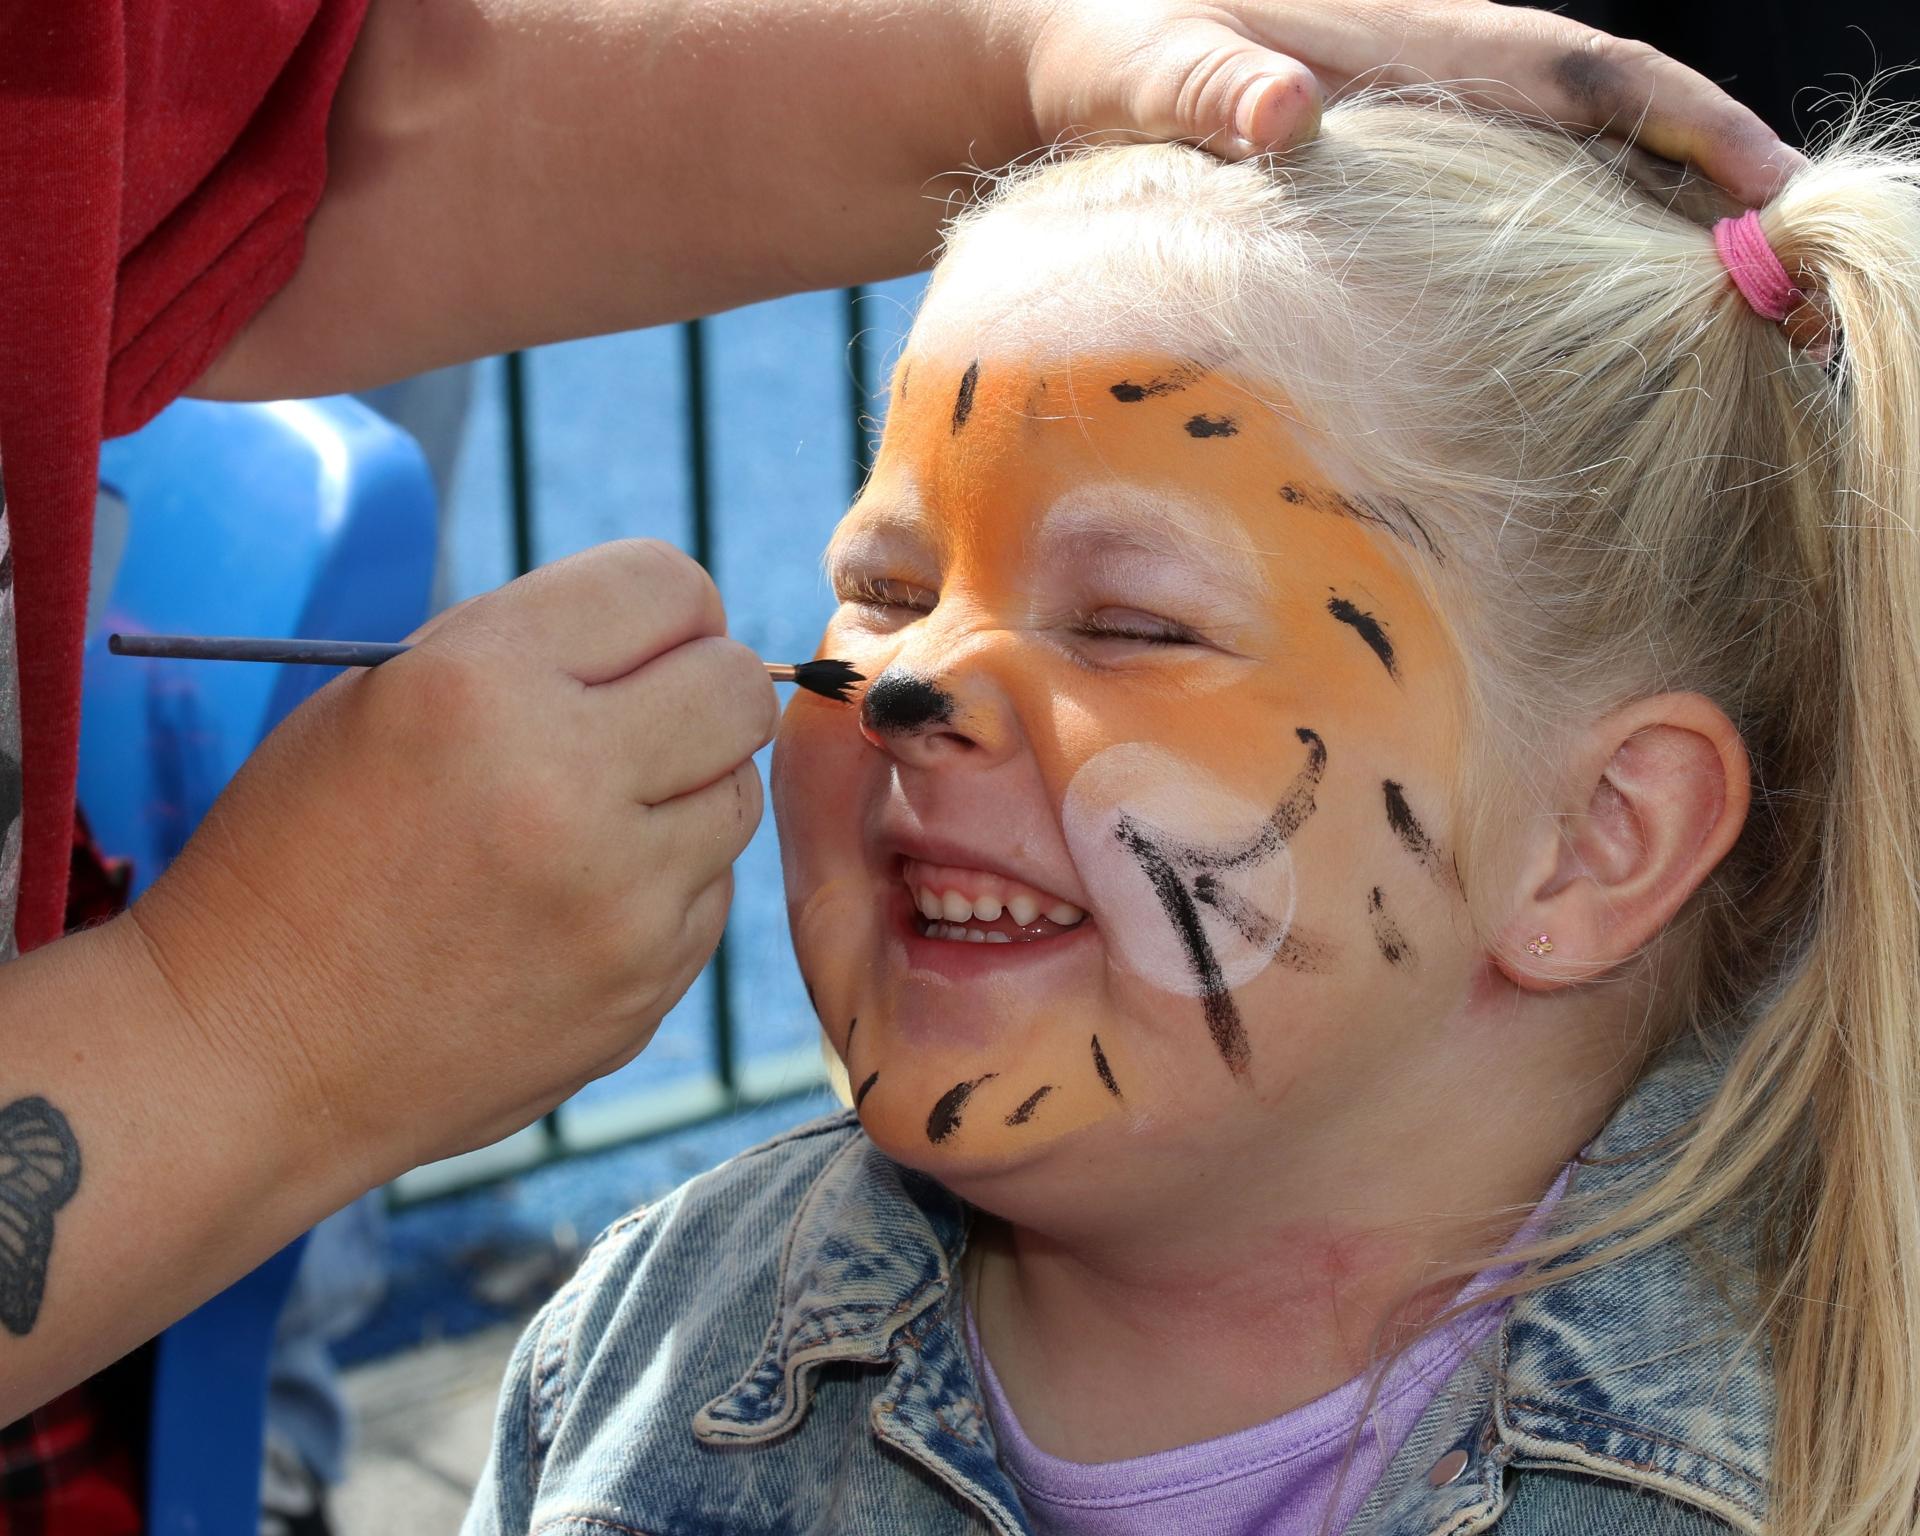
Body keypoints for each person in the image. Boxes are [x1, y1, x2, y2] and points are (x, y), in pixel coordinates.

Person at [462, 92, 1920, 1536]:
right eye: (888, 590)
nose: (909, 687)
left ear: (1597, 837)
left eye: (1132, 626)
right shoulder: (643, 1363)